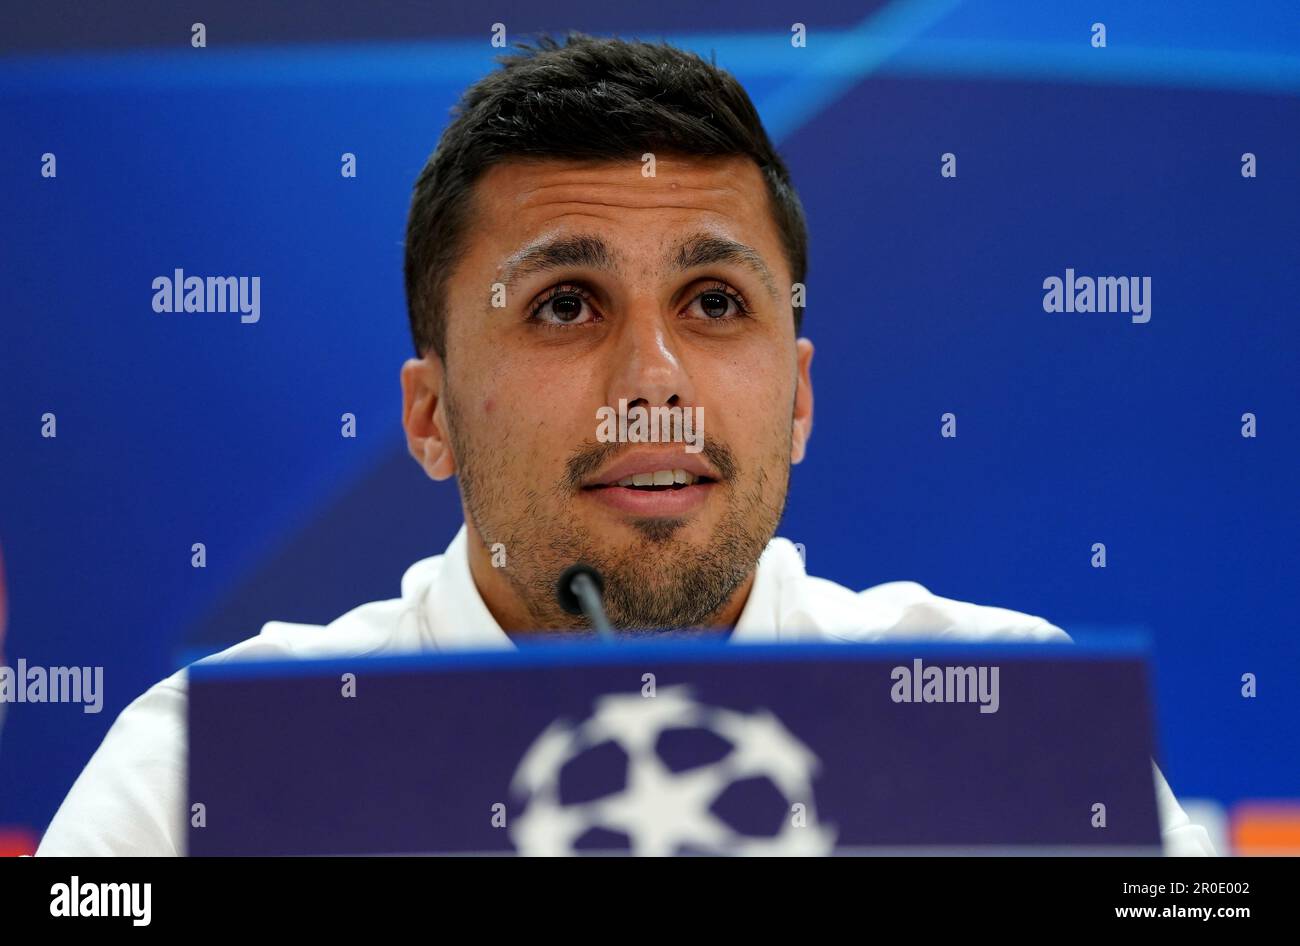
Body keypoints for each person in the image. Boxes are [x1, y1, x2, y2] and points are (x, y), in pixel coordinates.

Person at [37, 33, 1213, 856]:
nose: (651, 384)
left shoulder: (997, 723)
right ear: (429, 415)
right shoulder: (203, 775)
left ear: (797, 398)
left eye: (712, 303)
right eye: (563, 304)